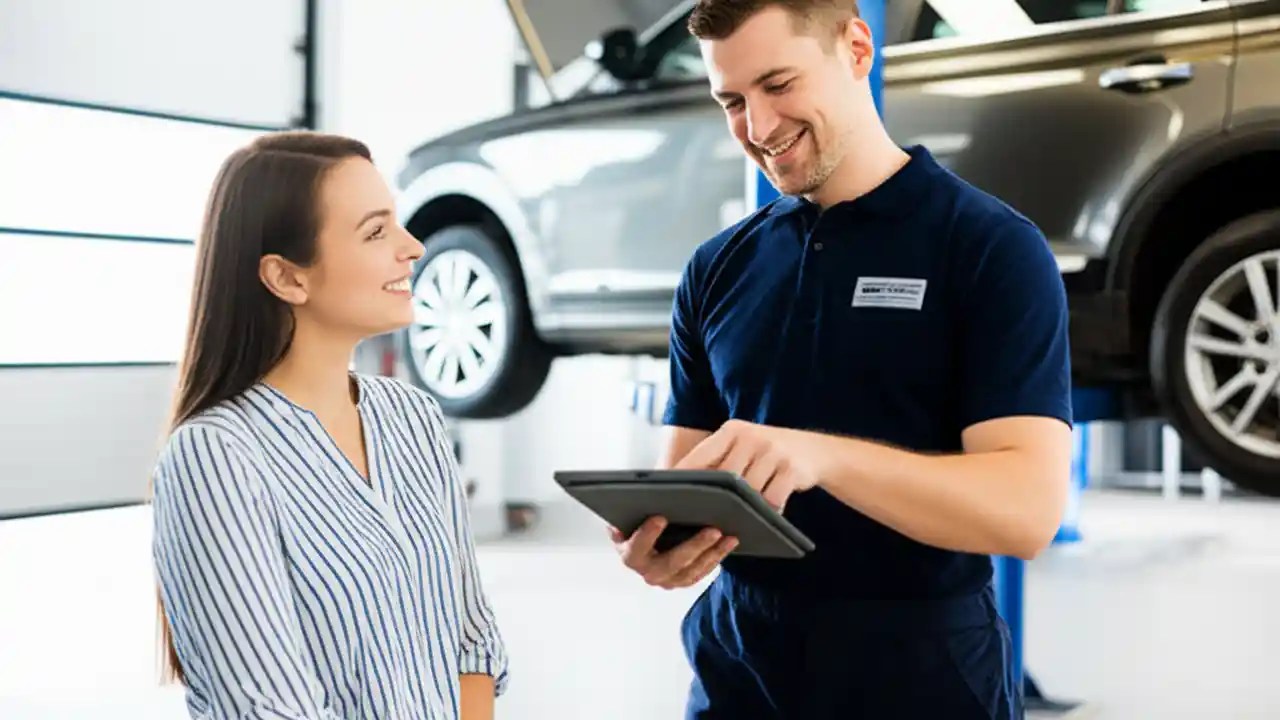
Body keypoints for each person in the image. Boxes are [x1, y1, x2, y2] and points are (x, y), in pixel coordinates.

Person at [611, 2, 1073, 718]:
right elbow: (689, 480)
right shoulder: (715, 269)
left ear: (857, 49)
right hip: (738, 673)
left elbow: (1026, 512)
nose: (759, 128)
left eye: (778, 83)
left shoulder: (988, 248)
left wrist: (820, 458)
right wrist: (660, 543)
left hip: (922, 675)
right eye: (732, 101)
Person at [150, 131, 508, 720]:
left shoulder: (411, 418)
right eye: (375, 231)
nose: (413, 246)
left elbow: (472, 643)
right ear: (288, 278)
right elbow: (265, 708)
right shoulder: (216, 457)